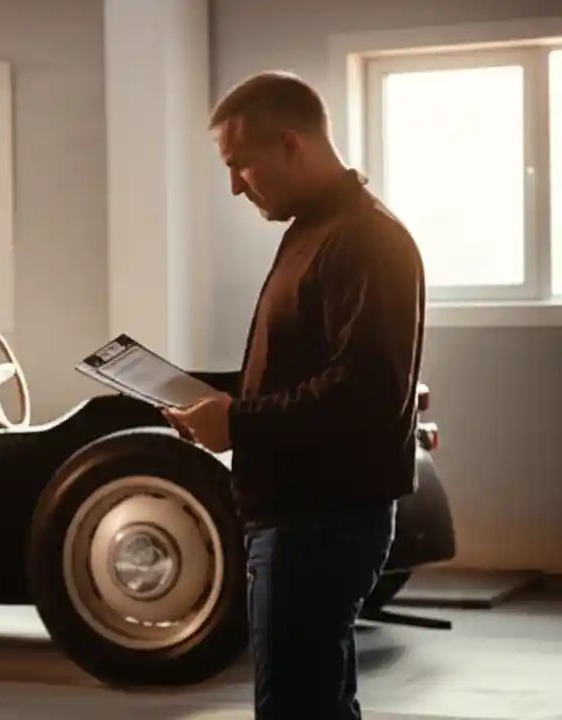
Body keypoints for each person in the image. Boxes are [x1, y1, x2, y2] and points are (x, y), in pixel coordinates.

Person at [163, 71, 426, 719]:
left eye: (240, 166)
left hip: (321, 520)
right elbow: (303, 368)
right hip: (302, 517)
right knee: (318, 704)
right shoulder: (315, 229)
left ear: (289, 144)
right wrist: (220, 406)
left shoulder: (366, 239)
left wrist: (241, 424)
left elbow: (367, 395)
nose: (233, 186)